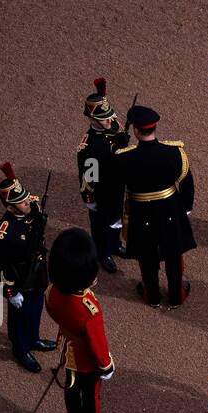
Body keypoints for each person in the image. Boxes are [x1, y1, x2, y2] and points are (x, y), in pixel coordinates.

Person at [115, 104, 196, 309]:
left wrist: (115, 148)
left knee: (147, 255)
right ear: (154, 128)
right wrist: (185, 208)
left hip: (141, 211)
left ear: (135, 131)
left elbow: (114, 187)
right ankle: (176, 296)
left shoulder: (123, 157)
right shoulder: (175, 152)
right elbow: (187, 182)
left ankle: (152, 296)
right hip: (170, 207)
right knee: (174, 253)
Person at [45, 227, 115, 413]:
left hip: (67, 349)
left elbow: (52, 310)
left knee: (72, 389)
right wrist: (106, 365)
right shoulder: (88, 309)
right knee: (91, 397)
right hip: (87, 359)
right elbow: (97, 342)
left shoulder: (53, 291)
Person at [0, 162, 56, 372]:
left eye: (25, 197)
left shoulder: (34, 207)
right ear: (10, 206)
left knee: (36, 309)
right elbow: (1, 266)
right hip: (19, 280)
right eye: (20, 201)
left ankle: (33, 338)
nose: (27, 202)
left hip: (37, 273)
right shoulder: (4, 234)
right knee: (19, 317)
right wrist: (10, 292)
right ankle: (20, 349)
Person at [76, 77, 129, 273]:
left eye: (109, 116)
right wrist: (89, 198)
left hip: (117, 185)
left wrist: (122, 145)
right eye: (104, 118)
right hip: (101, 191)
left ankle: (115, 244)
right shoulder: (89, 146)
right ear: (91, 119)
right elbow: (89, 176)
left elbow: (117, 135)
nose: (109, 120)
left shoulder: (112, 124)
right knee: (100, 225)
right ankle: (103, 253)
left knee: (117, 218)